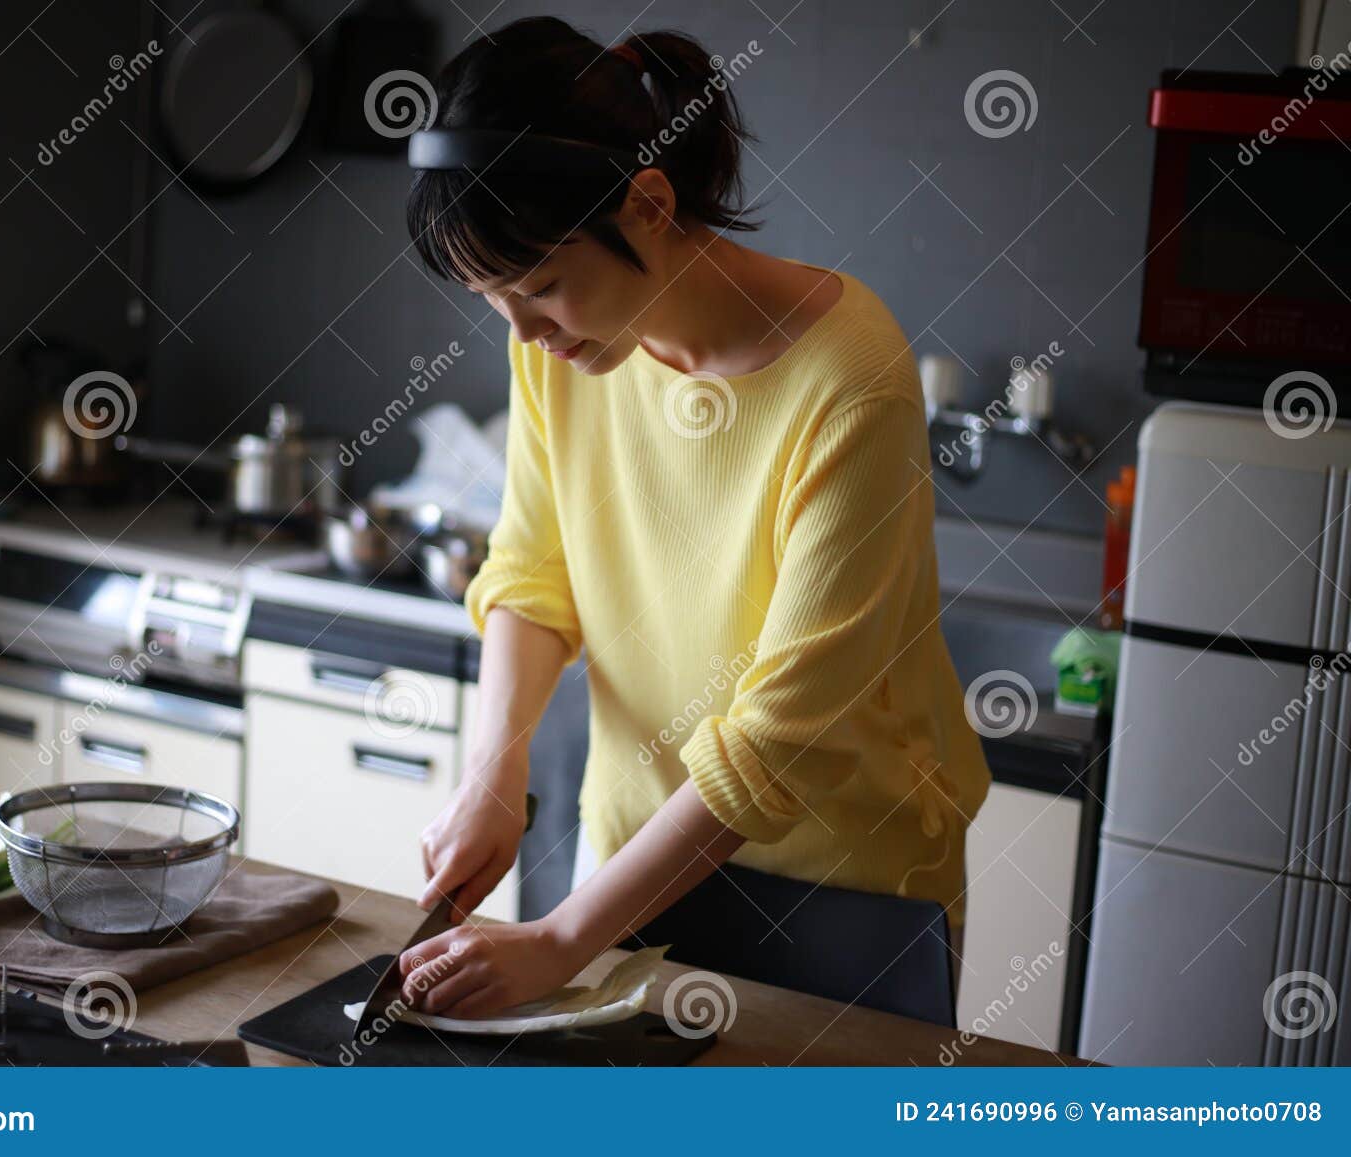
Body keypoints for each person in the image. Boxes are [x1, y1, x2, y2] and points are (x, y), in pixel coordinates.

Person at [395, 16, 991, 1019]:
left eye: (539, 288)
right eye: (495, 301)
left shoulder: (851, 382)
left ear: (650, 202)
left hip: (844, 902)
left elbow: (777, 742)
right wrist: (494, 773)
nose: (526, 334)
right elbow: (533, 570)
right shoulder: (561, 348)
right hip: (633, 863)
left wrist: (559, 938)